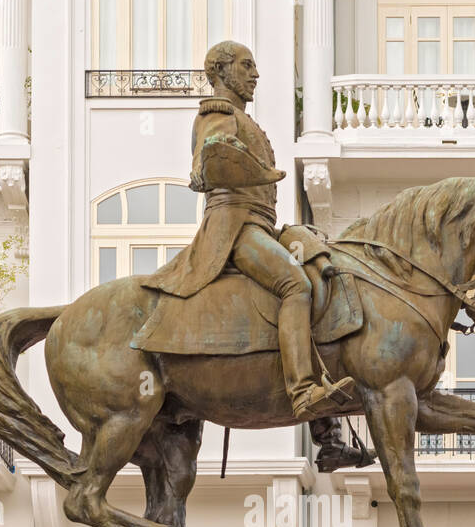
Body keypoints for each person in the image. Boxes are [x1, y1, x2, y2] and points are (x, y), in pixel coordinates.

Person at [141, 40, 354, 423]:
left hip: (262, 225)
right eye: (246, 66)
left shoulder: (245, 119)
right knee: (295, 285)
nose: (255, 75)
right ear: (221, 72)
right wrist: (218, 151)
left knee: (323, 263)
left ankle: (327, 431)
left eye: (254, 67)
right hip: (235, 228)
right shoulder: (218, 113)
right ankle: (303, 391)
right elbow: (207, 161)